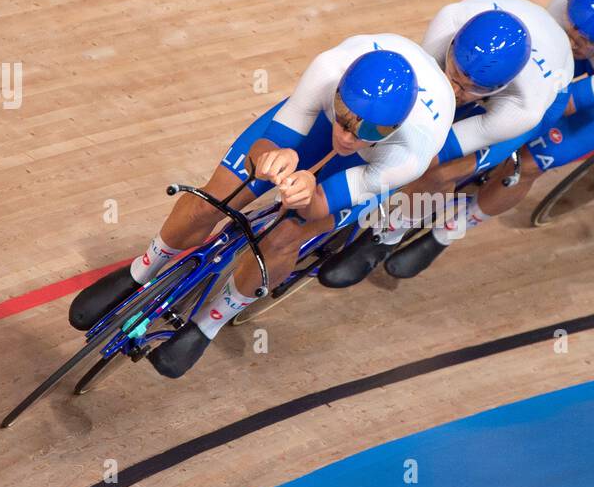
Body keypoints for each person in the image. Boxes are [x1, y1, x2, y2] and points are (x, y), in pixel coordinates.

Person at [67, 36, 453, 377]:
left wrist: (308, 193)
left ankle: (209, 323)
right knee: (216, 199)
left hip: (370, 166)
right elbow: (264, 146)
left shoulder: (410, 152)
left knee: (288, 235)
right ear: (339, 94)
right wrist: (272, 158)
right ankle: (142, 268)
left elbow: (320, 205)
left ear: (395, 128)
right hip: (316, 120)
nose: (349, 136)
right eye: (346, 120)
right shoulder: (328, 71)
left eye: (369, 131)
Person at [318, 0, 573, 285]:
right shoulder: (449, 21)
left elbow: (436, 150)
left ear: (499, 86)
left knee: (441, 170)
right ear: (452, 46)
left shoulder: (523, 107)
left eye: (470, 87)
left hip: (544, 98)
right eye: (454, 73)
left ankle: (398, 234)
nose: (453, 89)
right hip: (498, 42)